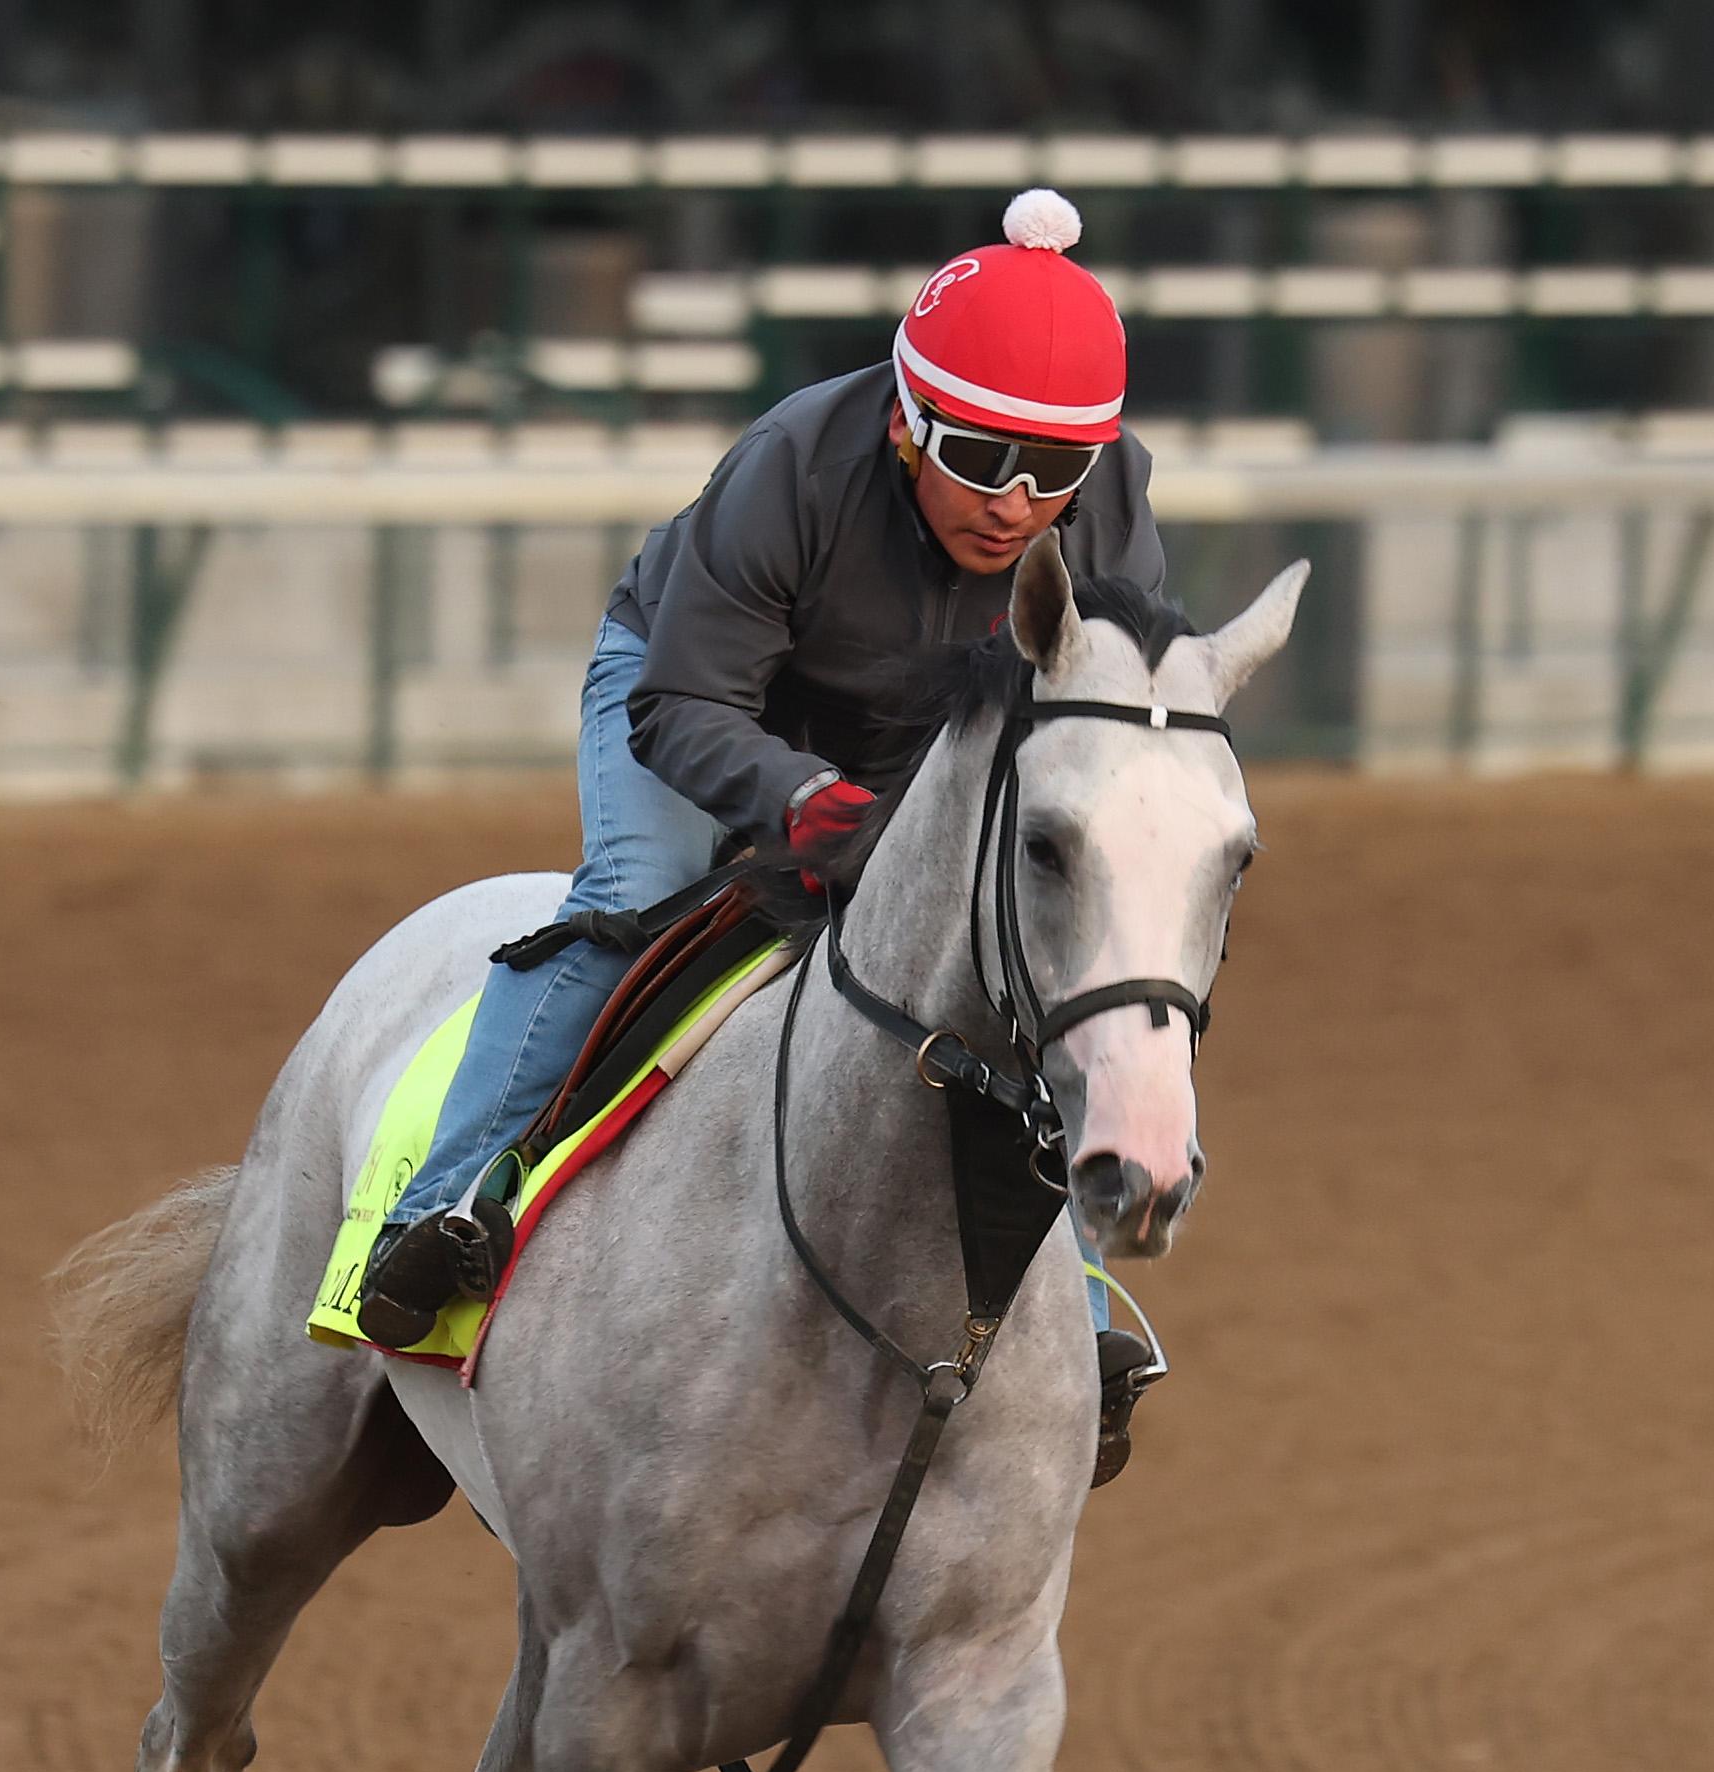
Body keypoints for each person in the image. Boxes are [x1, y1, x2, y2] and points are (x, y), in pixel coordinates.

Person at [353, 188, 1177, 1477]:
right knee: (650, 884)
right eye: (976, 458)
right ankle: (446, 1204)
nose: (1014, 506)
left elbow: (1099, 718)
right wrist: (798, 802)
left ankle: (1071, 1302)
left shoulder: (1112, 503)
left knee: (1022, 959)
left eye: (1051, 473)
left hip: (917, 738)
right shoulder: (796, 461)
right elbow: (681, 703)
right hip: (702, 691)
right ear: (908, 424)